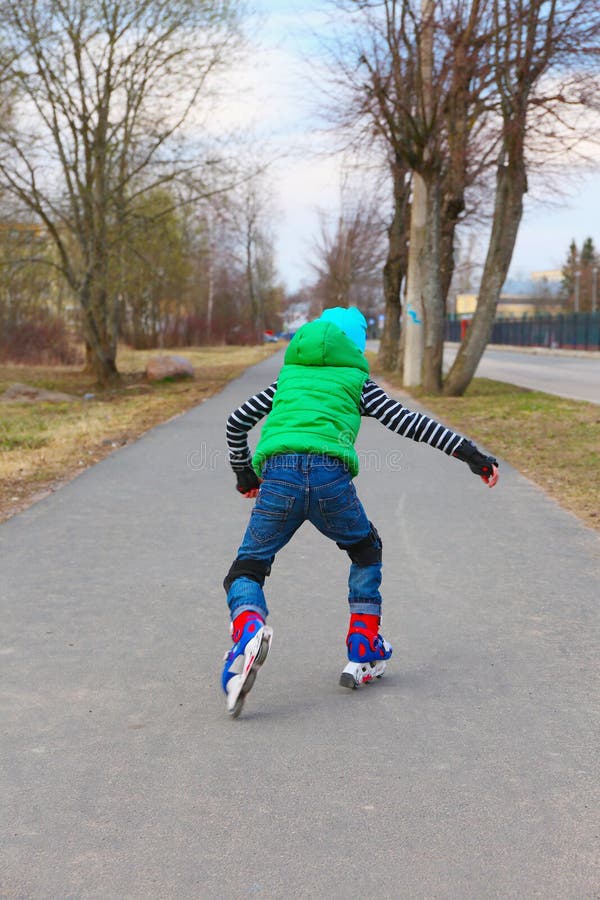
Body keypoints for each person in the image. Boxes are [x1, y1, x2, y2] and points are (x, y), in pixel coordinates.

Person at [221, 307, 499, 716]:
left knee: (248, 567)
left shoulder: (286, 380)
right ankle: (364, 643)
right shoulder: (357, 382)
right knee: (365, 549)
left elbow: (236, 421)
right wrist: (470, 454)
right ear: (355, 347)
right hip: (332, 481)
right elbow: (410, 423)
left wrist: (246, 476)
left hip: (277, 479)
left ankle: (247, 631)